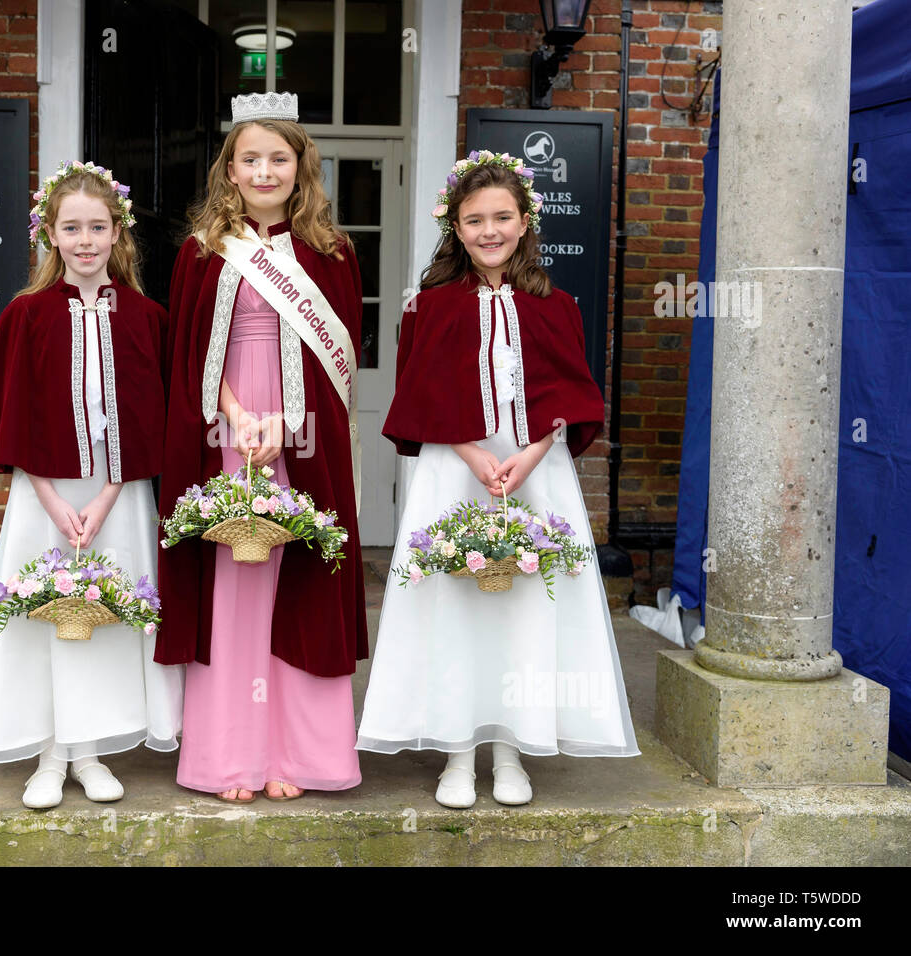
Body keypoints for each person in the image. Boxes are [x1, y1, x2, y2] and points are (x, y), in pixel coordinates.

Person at [356, 150, 640, 808]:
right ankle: (457, 750)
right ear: (455, 226)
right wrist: (470, 451)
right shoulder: (429, 306)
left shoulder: (557, 305)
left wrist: (536, 448)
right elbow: (419, 395)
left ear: (524, 222)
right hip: (454, 472)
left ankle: (514, 746)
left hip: (534, 471)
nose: (489, 231)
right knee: (455, 603)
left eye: (502, 217)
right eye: (474, 219)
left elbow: (574, 393)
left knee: (524, 606)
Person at [156, 92, 367, 803]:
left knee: (299, 577)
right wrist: (237, 415)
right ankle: (229, 760)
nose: (265, 170)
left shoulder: (334, 253)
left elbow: (347, 357)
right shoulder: (200, 251)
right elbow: (186, 356)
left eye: (279, 157)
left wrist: (291, 421)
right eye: (252, 158)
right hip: (228, 428)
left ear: (301, 167)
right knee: (236, 579)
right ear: (232, 169)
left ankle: (294, 758)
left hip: (303, 437)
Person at [0, 161, 185, 809]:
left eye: (97, 227)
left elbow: (151, 415)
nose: (85, 240)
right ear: (50, 236)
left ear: (119, 233)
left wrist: (109, 492)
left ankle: (89, 751)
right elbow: (10, 413)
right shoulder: (24, 317)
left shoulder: (146, 318)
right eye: (71, 228)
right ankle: (48, 752)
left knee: (108, 616)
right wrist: (54, 499)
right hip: (45, 495)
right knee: (44, 617)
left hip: (117, 498)